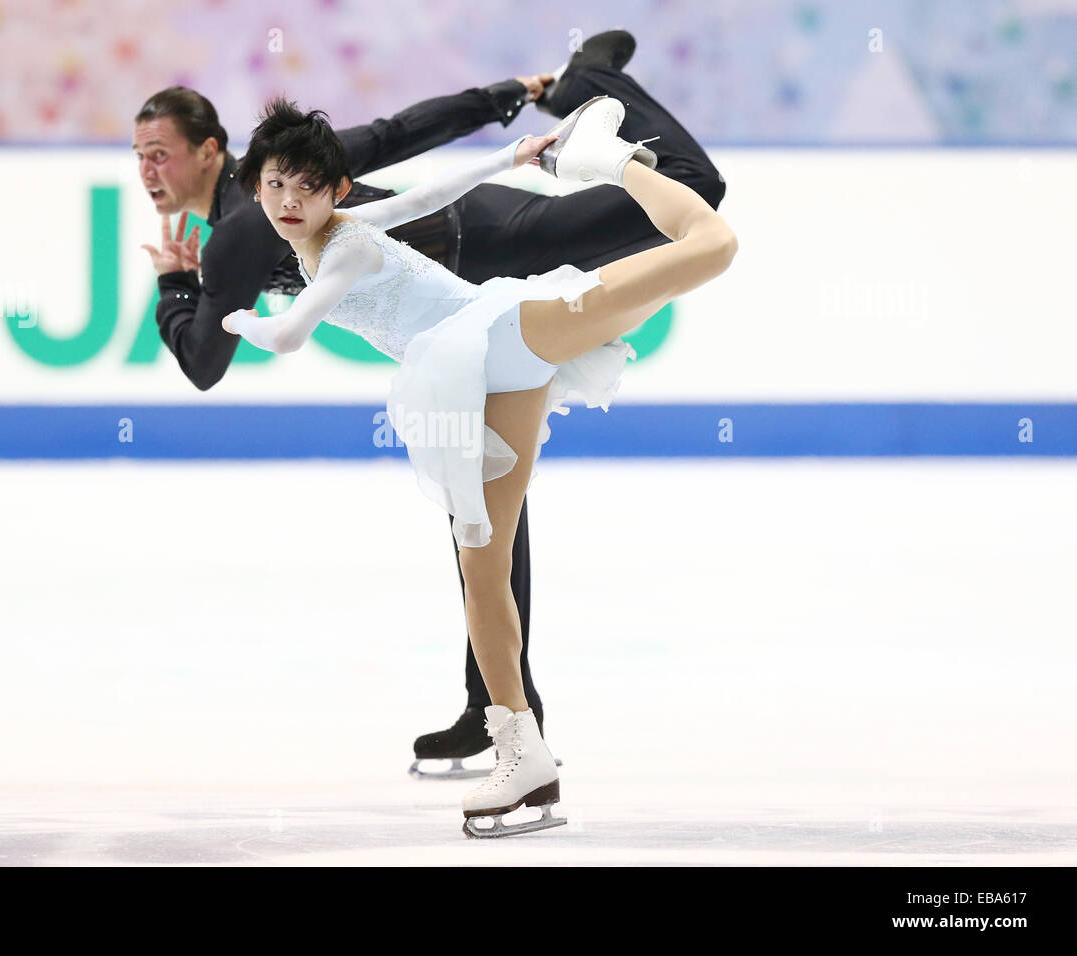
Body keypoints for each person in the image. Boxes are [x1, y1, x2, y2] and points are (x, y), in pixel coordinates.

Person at [135, 30, 728, 779]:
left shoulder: (249, 217)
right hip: (460, 305)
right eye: (139, 157)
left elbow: (391, 140)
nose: (149, 170)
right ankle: (505, 710)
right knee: (483, 513)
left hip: (484, 248)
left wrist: (179, 289)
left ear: (214, 151)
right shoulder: (245, 225)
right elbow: (213, 358)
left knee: (695, 190)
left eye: (161, 152)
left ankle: (593, 80)